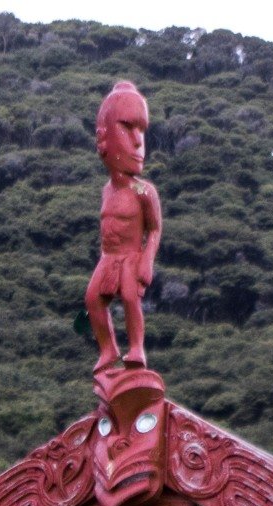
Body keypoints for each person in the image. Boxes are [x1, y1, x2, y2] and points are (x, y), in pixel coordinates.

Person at [85, 80, 162, 373]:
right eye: (128, 128)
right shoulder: (107, 190)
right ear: (103, 136)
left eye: (142, 131)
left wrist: (146, 261)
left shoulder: (143, 192)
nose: (138, 141)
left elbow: (154, 229)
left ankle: (136, 348)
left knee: (130, 298)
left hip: (130, 256)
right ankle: (108, 349)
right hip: (109, 258)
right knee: (93, 298)